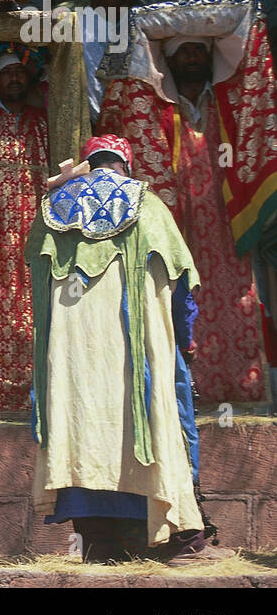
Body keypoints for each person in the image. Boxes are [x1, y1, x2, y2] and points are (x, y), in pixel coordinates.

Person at [28, 135, 229, 564]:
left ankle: (101, 540)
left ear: (88, 162)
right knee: (158, 417)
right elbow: (181, 290)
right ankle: (177, 542)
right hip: (140, 350)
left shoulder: (52, 212)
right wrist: (183, 340)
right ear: (126, 164)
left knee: (82, 425)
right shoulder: (150, 206)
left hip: (73, 357)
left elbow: (38, 294)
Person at [99, 31, 273, 405]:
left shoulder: (229, 104)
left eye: (199, 50)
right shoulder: (157, 110)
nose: (192, 57)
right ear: (170, 62)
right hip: (180, 227)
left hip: (230, 225)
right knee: (179, 303)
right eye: (183, 52)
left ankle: (247, 396)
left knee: (244, 300)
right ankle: (187, 398)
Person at [0, 43, 51, 418]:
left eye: (20, 72)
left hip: (38, 235)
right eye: (7, 73)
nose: (15, 79)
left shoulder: (43, 119)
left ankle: (44, 402)